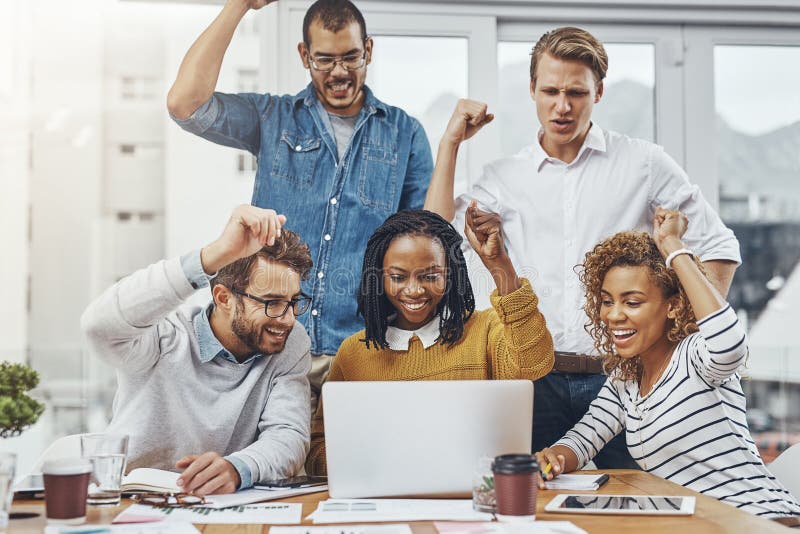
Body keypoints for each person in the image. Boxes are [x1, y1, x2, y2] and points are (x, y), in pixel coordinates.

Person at [424, 26, 741, 468]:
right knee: (528, 503)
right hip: (534, 378)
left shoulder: (643, 164)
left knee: (633, 504)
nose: (562, 106)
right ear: (532, 89)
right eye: (550, 90)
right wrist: (450, 143)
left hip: (621, 377)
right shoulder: (504, 177)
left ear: (599, 92)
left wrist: (680, 341)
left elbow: (720, 246)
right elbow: (433, 240)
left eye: (576, 92)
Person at [167, 0, 434, 416]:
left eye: (350, 57)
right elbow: (185, 104)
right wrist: (239, 6)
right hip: (273, 344)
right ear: (304, 56)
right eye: (324, 60)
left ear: (369, 50)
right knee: (274, 469)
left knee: (349, 475)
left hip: (359, 350)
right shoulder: (273, 118)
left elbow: (425, 237)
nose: (340, 72)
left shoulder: (405, 133)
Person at [536, 208, 800, 524]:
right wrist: (554, 458)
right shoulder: (626, 381)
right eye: (608, 301)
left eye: (632, 302)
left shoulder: (697, 357)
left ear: (673, 306)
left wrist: (673, 246)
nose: (613, 315)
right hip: (699, 523)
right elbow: (583, 439)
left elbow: (730, 343)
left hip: (757, 521)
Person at [81, 205, 312, 495]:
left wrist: (238, 468)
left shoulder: (291, 341)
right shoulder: (163, 336)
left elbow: (288, 434)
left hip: (218, 510)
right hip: (131, 502)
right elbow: (97, 326)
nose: (288, 318)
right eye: (272, 303)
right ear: (224, 298)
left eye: (293, 301)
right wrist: (209, 258)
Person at [305, 207, 555, 475]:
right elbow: (319, 452)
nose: (414, 290)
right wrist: (384, 463)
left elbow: (534, 363)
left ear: (450, 274)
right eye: (398, 277)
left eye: (430, 276)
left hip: (471, 499)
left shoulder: (484, 330)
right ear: (379, 277)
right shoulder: (354, 352)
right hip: (385, 499)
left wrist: (498, 264)